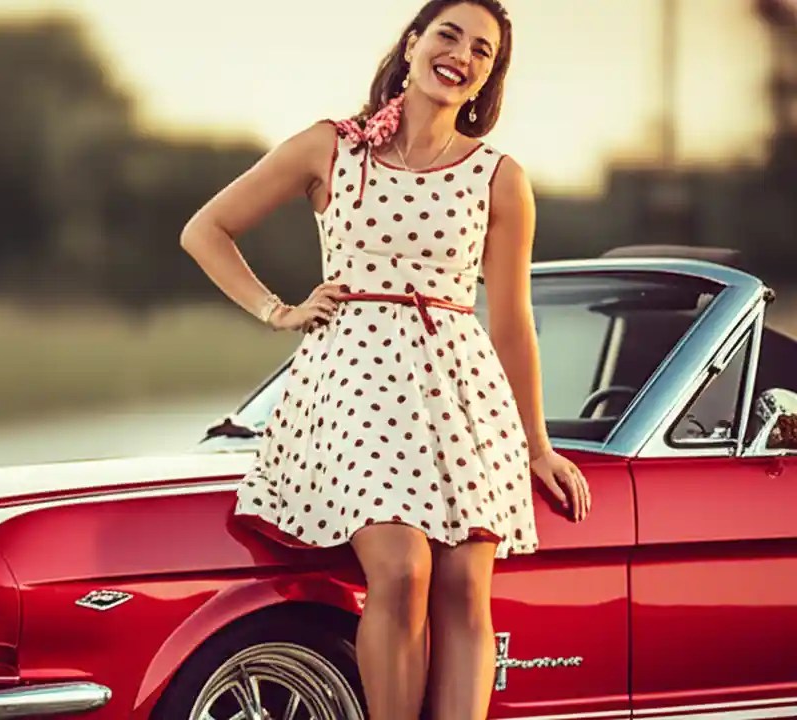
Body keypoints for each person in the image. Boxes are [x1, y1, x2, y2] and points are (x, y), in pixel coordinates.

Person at [179, 1, 592, 718]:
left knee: (466, 586)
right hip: (357, 382)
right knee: (401, 571)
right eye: (448, 34)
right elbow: (205, 229)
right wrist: (278, 310)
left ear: (489, 77)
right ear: (412, 45)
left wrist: (539, 445)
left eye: (482, 51)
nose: (461, 55)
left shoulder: (500, 177)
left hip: (461, 390)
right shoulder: (329, 147)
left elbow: (514, 322)